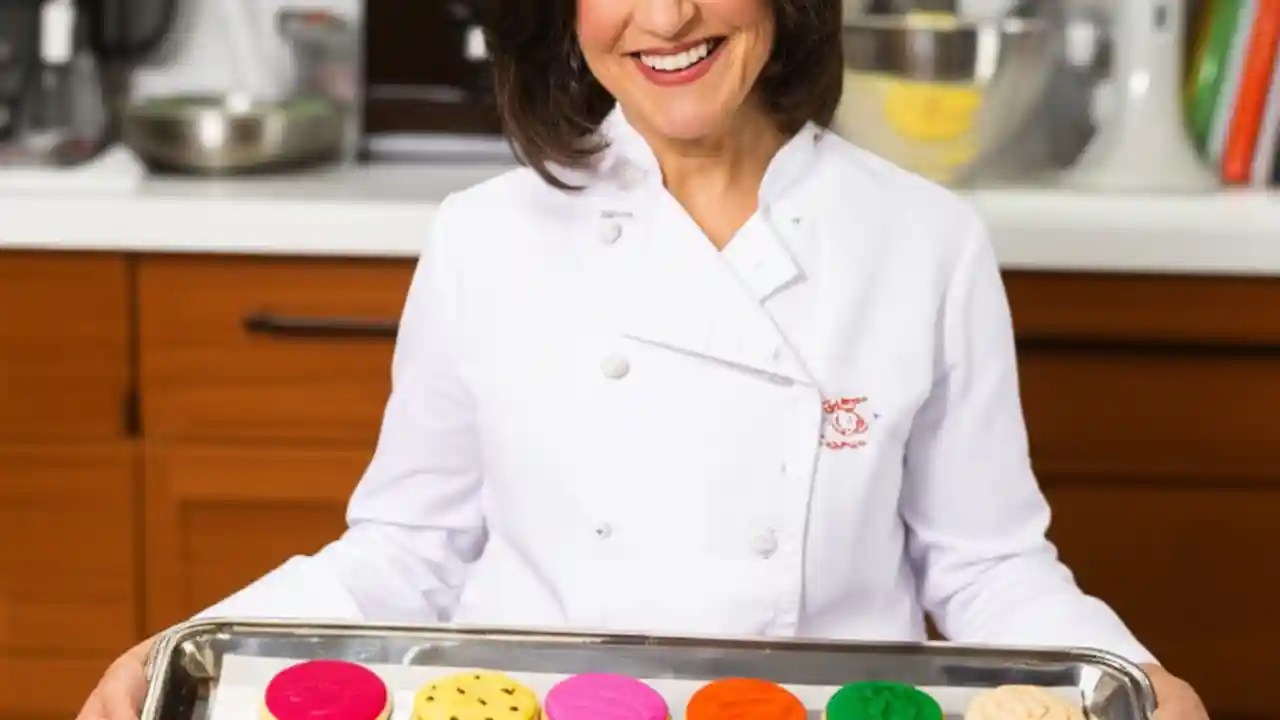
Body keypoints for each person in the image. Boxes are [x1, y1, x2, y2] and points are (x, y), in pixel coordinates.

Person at [78, 1, 1210, 718]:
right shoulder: (485, 235)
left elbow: (984, 566)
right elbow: (407, 553)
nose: (667, 17)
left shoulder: (920, 242)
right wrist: (184, 647)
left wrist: (1134, 676)